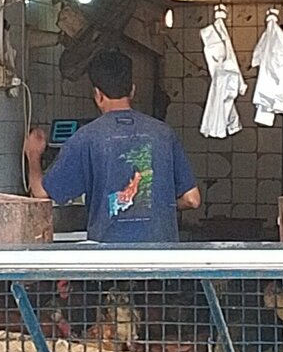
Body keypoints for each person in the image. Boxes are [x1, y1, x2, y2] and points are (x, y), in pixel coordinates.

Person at [25, 50, 200, 243]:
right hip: (162, 261)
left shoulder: (86, 137)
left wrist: (33, 154)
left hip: (109, 260)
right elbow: (192, 199)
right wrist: (161, 206)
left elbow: (41, 193)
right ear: (132, 90)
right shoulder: (164, 133)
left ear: (98, 95)